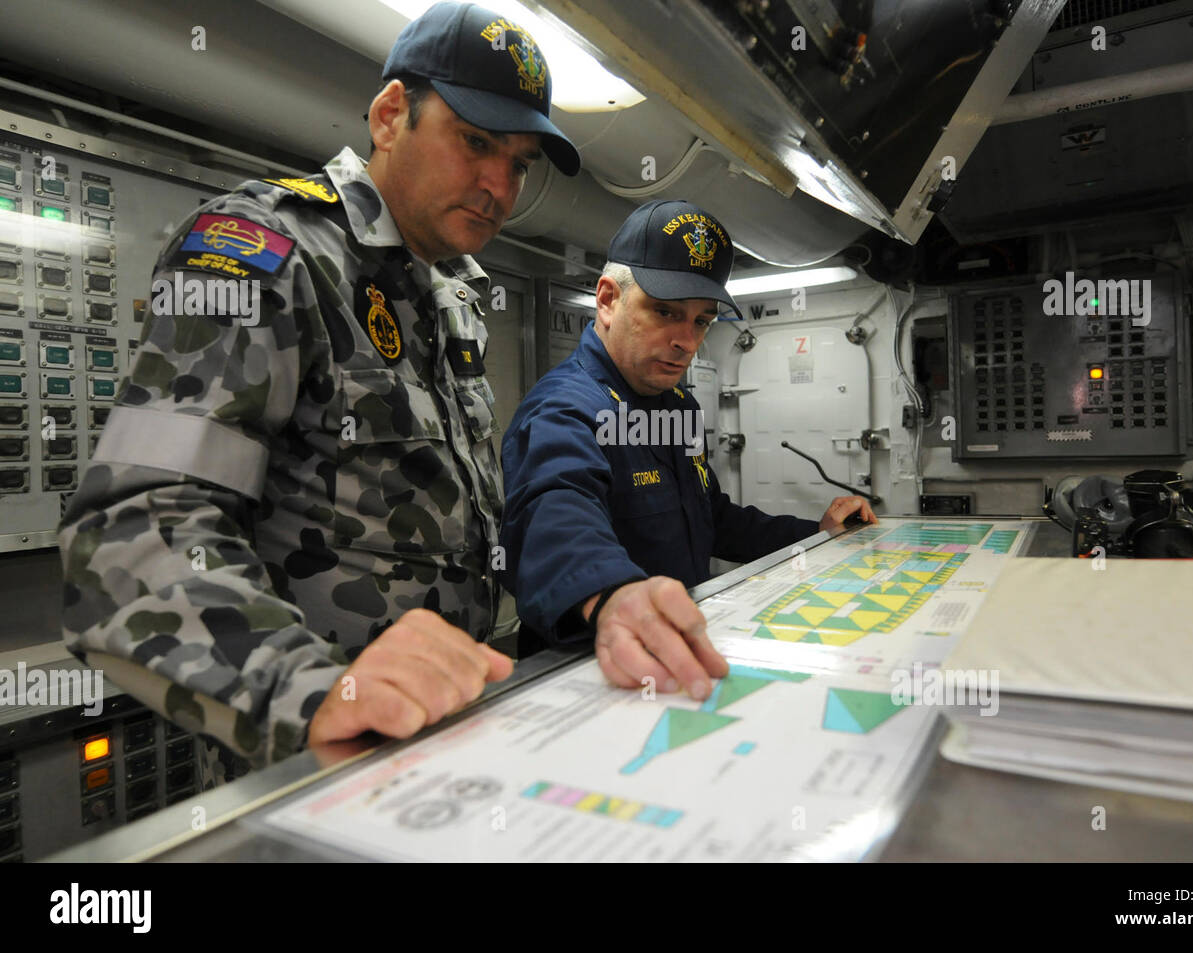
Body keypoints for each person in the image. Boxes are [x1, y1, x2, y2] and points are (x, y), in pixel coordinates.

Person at [56, 1, 581, 769]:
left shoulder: (454, 299)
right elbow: (131, 531)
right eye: (476, 142)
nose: (499, 184)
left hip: (436, 740)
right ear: (391, 115)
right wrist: (309, 691)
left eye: (520, 163)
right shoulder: (266, 253)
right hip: (310, 758)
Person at [500, 199, 875, 702]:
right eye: (665, 312)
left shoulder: (674, 404)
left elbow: (712, 518)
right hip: (594, 675)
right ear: (608, 300)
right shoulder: (565, 408)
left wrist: (817, 536)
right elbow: (554, 511)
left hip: (677, 661)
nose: (686, 341)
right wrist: (611, 592)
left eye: (702, 321)